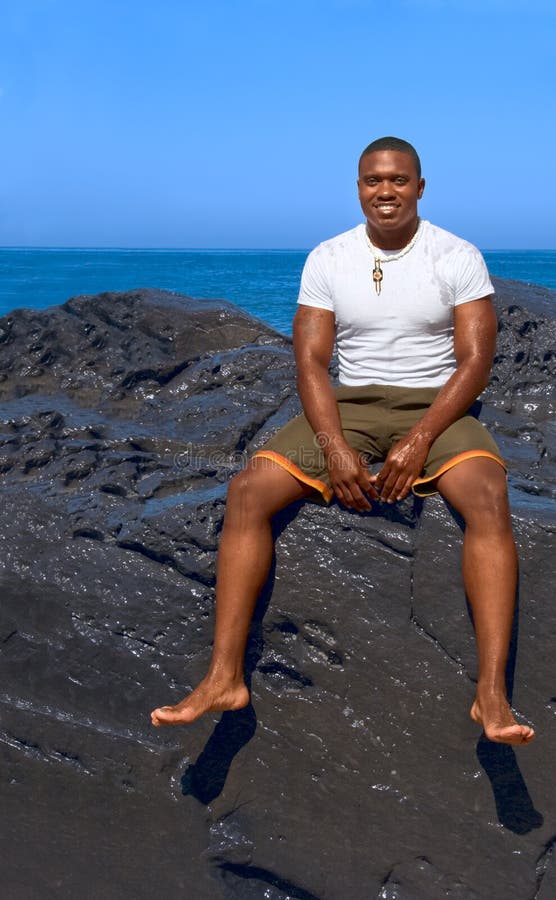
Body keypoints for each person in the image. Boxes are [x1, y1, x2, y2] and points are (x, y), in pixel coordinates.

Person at [151, 136, 534, 746]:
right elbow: (310, 362)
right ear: (358, 188)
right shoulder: (329, 258)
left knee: (487, 498)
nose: (386, 191)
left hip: (435, 407)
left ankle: (490, 694)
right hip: (350, 406)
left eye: (399, 180)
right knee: (249, 490)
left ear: (420, 187)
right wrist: (333, 446)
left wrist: (419, 441)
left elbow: (475, 361)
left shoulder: (457, 255)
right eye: (373, 180)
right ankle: (224, 678)